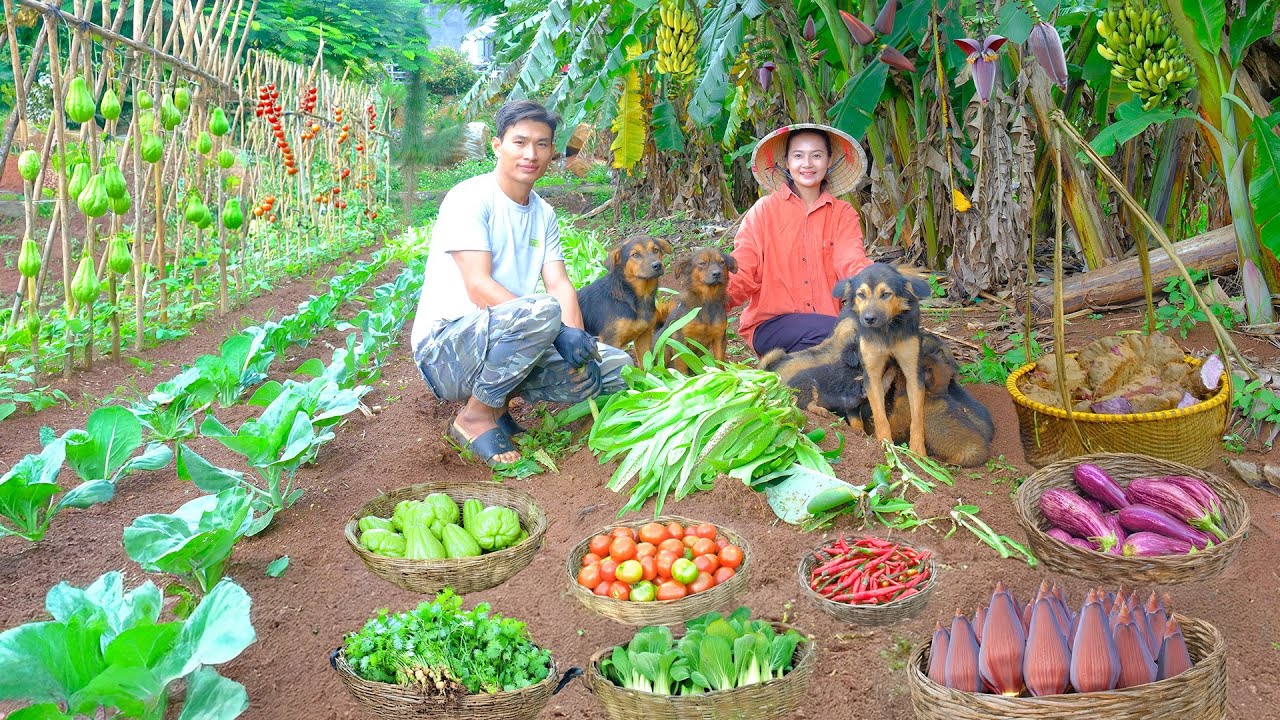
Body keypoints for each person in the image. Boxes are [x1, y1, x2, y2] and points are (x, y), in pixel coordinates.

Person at [411, 100, 631, 467]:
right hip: (445, 352)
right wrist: (558, 329)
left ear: (551, 151)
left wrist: (578, 347)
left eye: (542, 144)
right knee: (541, 312)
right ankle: (474, 417)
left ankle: (498, 407)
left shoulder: (543, 213)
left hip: (503, 341)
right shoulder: (469, 198)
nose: (531, 154)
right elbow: (478, 286)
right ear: (498, 146)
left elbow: (560, 284)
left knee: (615, 366)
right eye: (520, 142)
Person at [727, 123, 872, 356]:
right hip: (772, 326)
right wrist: (709, 296)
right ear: (786, 161)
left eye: (816, 155)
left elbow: (851, 261)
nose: (807, 164)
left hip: (824, 324)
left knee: (852, 352)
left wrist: (878, 284)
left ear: (829, 160)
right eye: (798, 156)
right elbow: (743, 266)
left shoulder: (842, 213)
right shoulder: (764, 210)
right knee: (849, 336)